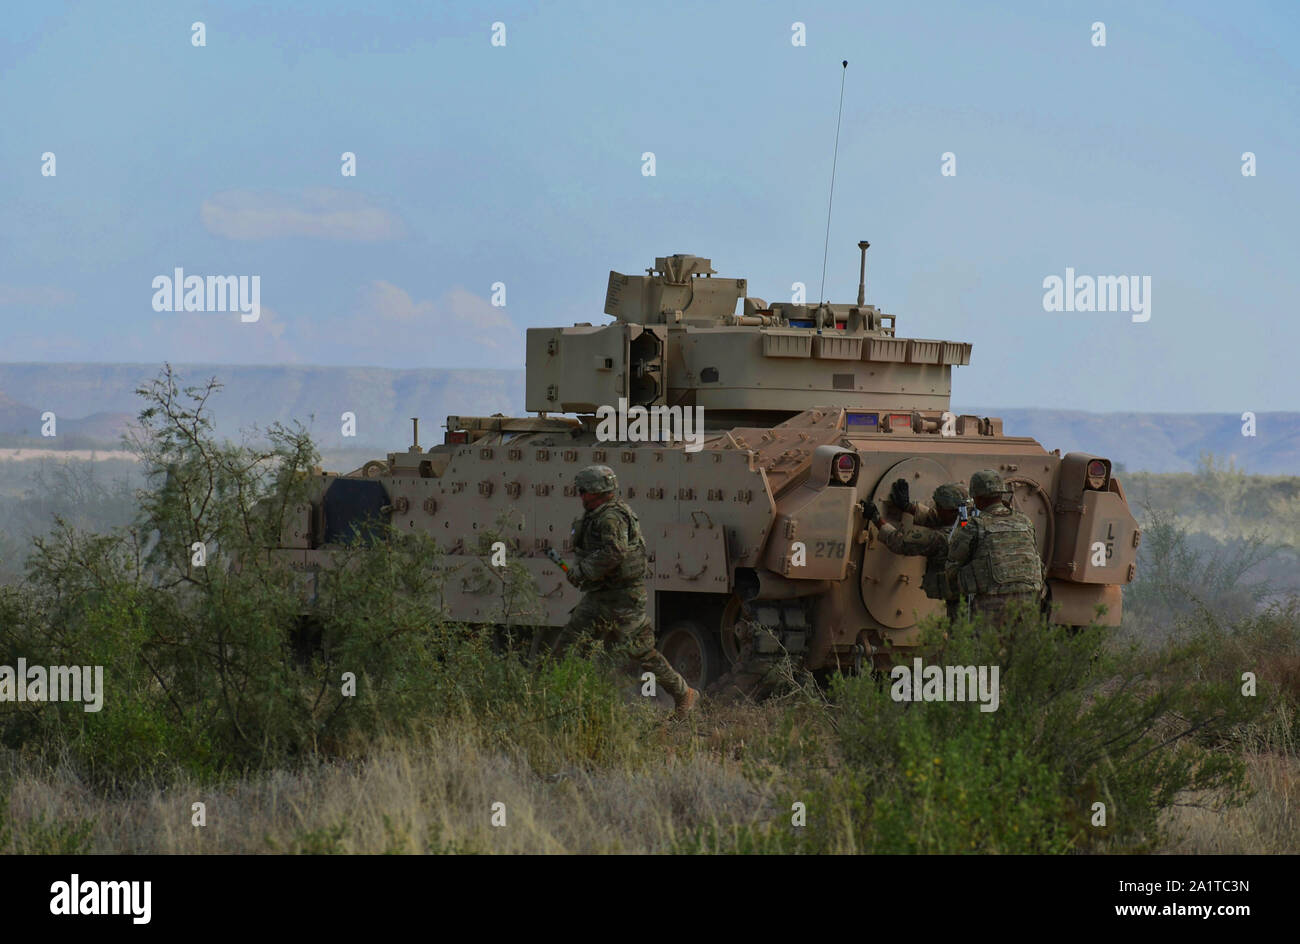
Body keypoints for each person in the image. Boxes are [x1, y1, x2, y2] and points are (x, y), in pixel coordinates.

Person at [550, 465, 699, 715]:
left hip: (624, 599)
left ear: (598, 492)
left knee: (640, 651)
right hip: (599, 596)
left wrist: (583, 572)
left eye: (584, 491)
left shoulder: (611, 518)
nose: (581, 496)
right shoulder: (597, 514)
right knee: (570, 645)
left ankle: (683, 693)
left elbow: (613, 552)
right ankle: (558, 699)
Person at [945, 469, 1044, 627]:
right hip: (1028, 600)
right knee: (1022, 649)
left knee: (985, 649)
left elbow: (952, 568)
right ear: (1001, 493)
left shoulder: (974, 525)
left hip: (991, 603)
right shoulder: (1025, 521)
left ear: (977, 497)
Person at [861, 478, 969, 620]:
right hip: (977, 595)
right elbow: (941, 518)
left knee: (961, 634)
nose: (936, 508)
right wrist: (909, 507)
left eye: (939, 507)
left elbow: (900, 542)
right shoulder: (969, 520)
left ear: (951, 510)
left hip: (963, 604)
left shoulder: (940, 539)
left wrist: (876, 518)